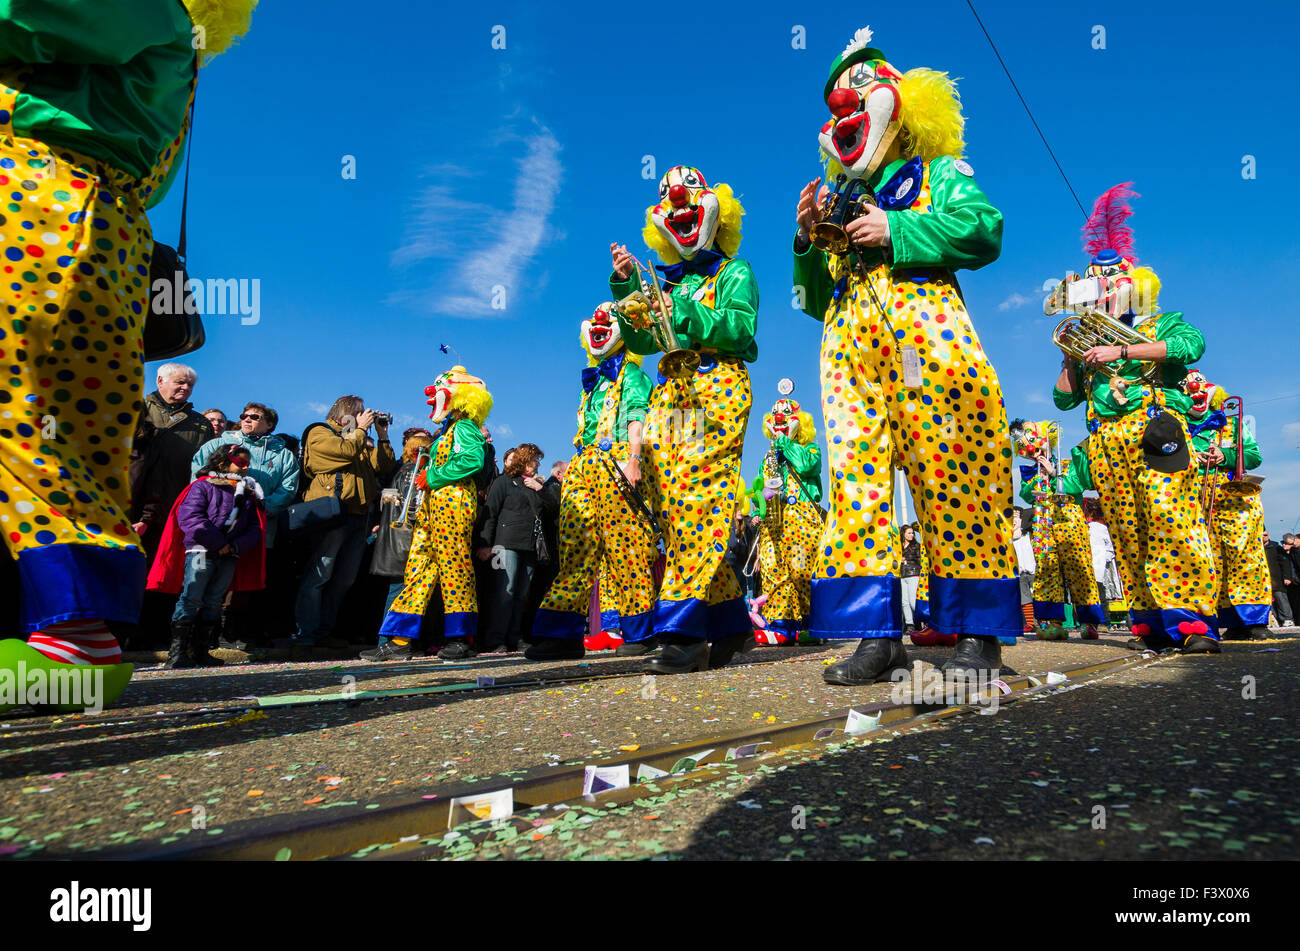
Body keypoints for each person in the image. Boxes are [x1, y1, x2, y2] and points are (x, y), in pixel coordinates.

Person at [0, 1, 255, 710]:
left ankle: (70, 644)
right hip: (61, 210)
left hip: (43, 206)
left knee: (31, 418)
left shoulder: (154, 10)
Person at [794, 27, 1020, 686]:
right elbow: (810, 298)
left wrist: (899, 228)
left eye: (862, 88)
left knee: (954, 470)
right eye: (838, 98)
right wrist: (809, 241)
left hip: (926, 337)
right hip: (846, 345)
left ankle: (977, 630)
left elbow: (985, 231)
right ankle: (876, 633)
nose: (845, 101)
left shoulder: (940, 173)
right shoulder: (836, 196)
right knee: (856, 485)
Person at [1051, 184, 1218, 652]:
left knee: (1171, 521)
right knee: (1128, 530)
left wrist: (1121, 348)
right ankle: (1151, 622)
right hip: (1106, 444)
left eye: (1107, 286)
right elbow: (1063, 401)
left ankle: (1192, 623)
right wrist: (1074, 359)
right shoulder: (1088, 339)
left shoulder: (1159, 321)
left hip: (1153, 429)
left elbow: (1192, 346)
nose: (1099, 295)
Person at [609, 164, 758, 674]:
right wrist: (628, 287)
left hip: (717, 385)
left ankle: (683, 631)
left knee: (697, 504)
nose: (675, 200)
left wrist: (684, 313)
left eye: (689, 195)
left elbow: (740, 328)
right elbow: (642, 343)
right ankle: (733, 626)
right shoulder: (666, 280)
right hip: (670, 395)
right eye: (666, 199)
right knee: (674, 511)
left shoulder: (734, 271)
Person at [528, 303, 658, 660]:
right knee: (576, 550)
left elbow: (637, 416)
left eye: (610, 320)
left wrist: (634, 459)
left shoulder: (631, 374)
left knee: (627, 548)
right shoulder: (594, 379)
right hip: (584, 465)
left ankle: (638, 632)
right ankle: (561, 635)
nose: (600, 324)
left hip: (617, 462)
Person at [376, 367, 492, 661]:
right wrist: (428, 464)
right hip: (432, 508)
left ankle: (461, 638)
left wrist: (434, 476)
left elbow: (473, 460)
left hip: (453, 503)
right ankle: (400, 640)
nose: (431, 396)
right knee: (417, 569)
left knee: (454, 569)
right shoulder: (449, 430)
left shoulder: (464, 426)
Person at [291, 395, 396, 657]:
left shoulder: (358, 439)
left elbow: (383, 466)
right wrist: (360, 430)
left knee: (344, 579)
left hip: (359, 516)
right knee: (320, 574)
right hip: (333, 515)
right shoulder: (320, 431)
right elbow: (343, 452)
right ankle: (305, 636)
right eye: (360, 412)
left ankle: (324, 633)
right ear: (347, 412)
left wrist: (382, 435)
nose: (366, 418)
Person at [191, 402, 299, 648]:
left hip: (256, 528)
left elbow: (288, 489)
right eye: (244, 416)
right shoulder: (218, 444)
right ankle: (200, 636)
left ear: (270, 424)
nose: (247, 419)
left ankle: (232, 633)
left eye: (255, 417)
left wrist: (258, 509)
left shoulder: (283, 455)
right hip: (214, 526)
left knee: (245, 581)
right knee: (206, 579)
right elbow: (198, 474)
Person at [146, 445, 266, 668]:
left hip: (230, 554)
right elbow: (191, 517)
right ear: (222, 463)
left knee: (214, 600)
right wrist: (218, 543)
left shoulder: (247, 494)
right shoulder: (201, 487)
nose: (246, 467)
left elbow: (254, 527)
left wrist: (234, 546)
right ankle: (177, 653)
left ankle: (201, 650)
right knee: (191, 596)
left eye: (247, 463)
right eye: (240, 463)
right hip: (201, 552)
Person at [1011, 419, 1104, 640]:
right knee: (1046, 568)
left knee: (1079, 567)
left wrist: (1054, 473)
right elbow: (1026, 494)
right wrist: (1039, 479)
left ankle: (1088, 621)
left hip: (1069, 520)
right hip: (1043, 522)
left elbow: (1077, 486)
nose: (1032, 451)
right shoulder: (1030, 472)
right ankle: (1051, 621)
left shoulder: (1067, 463)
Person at [744, 394, 824, 644]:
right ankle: (781, 626)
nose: (780, 419)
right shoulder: (768, 458)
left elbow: (806, 466)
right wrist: (758, 512)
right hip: (774, 525)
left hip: (801, 521)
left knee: (801, 571)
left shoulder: (810, 449)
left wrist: (786, 443)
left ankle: (810, 626)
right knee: (773, 570)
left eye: (787, 417)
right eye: (776, 416)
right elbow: (760, 489)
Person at [361, 428, 434, 660]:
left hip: (395, 540)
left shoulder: (400, 471)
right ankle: (389, 643)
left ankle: (398, 642)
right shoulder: (415, 473)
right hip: (407, 541)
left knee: (402, 591)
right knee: (401, 592)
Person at [478, 443, 555, 652]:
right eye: (535, 460)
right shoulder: (503, 482)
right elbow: (490, 512)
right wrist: (485, 544)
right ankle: (495, 639)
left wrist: (542, 489)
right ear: (525, 461)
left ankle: (515, 637)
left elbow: (553, 508)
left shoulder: (536, 485)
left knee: (522, 594)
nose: (538, 464)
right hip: (505, 545)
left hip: (530, 547)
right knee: (505, 591)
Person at [1263, 531, 1294, 627]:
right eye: (1262, 535)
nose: (1264, 537)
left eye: (1265, 535)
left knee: (1281, 599)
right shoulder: (1257, 549)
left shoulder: (1276, 548)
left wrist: (1287, 577)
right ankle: (1273, 620)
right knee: (1268, 602)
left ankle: (1287, 619)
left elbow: (1285, 563)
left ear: (1269, 536)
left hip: (1277, 579)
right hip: (1264, 581)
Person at [900, 525, 922, 635]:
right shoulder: (898, 547)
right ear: (903, 534)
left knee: (913, 602)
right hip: (902, 575)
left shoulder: (916, 546)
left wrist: (906, 560)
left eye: (912, 533)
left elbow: (920, 561)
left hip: (913, 574)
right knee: (904, 602)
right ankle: (910, 625)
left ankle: (922, 621)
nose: (911, 535)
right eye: (909, 533)